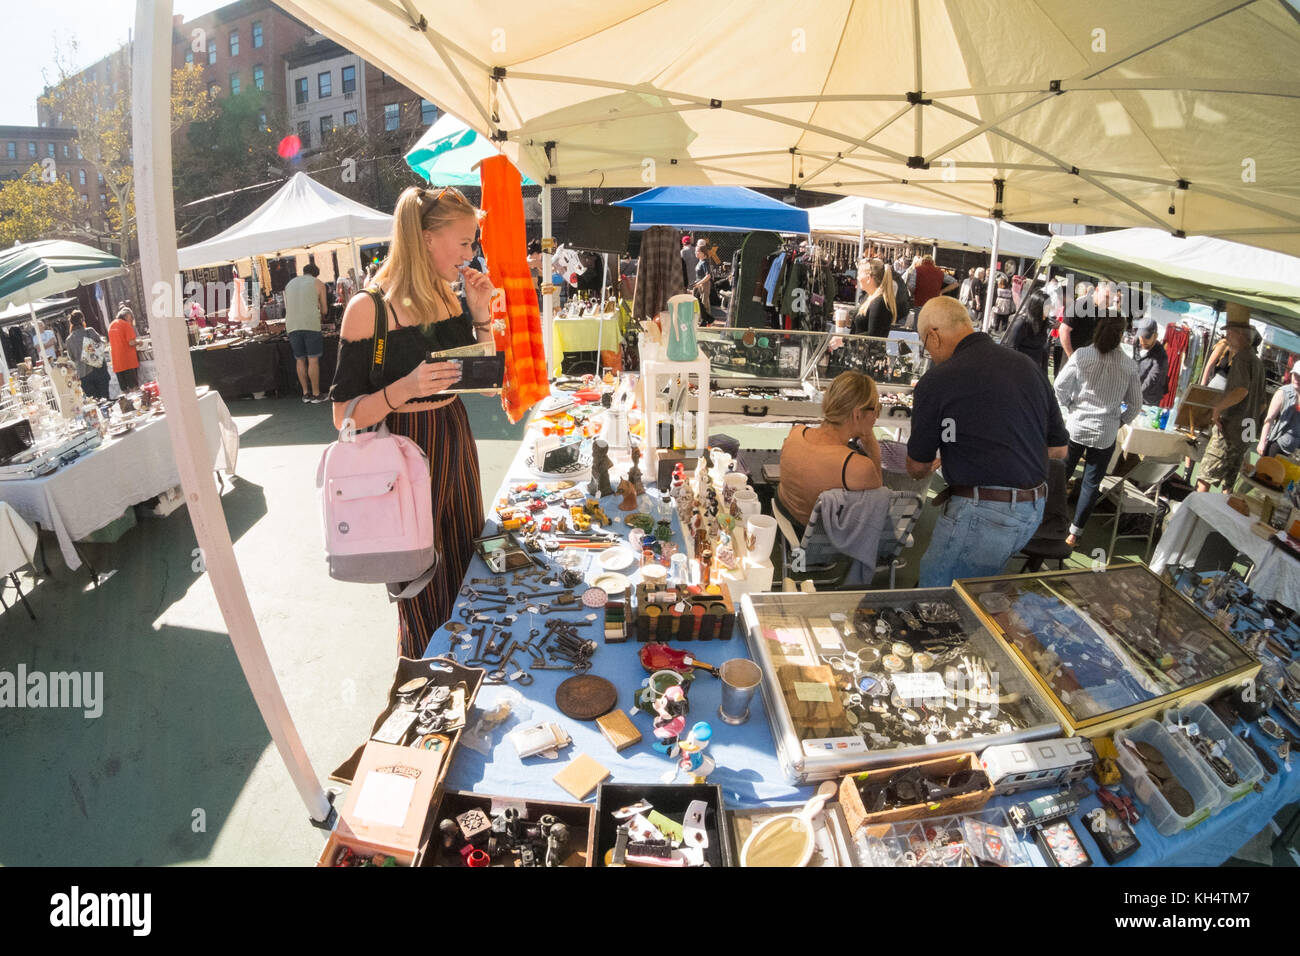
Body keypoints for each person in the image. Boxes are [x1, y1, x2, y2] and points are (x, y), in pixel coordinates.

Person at [329, 184, 496, 659]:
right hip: (401, 453)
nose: (471, 253)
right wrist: (406, 387)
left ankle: (469, 665)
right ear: (425, 238)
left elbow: (482, 384)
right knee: (420, 581)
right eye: (464, 242)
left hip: (453, 436)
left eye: (472, 243)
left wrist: (480, 317)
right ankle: (425, 680)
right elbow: (342, 417)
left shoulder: (449, 298)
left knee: (465, 558)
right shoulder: (369, 309)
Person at [905, 296, 1069, 586]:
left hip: (983, 511)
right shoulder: (1029, 366)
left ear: (933, 335)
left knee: (935, 599)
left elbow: (916, 466)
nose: (927, 352)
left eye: (924, 342)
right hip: (1034, 509)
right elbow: (1058, 449)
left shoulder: (937, 380)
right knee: (974, 592)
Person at [1053, 316, 1143, 548]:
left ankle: (1049, 519)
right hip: (1105, 431)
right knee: (1091, 484)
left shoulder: (1082, 355)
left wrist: (1071, 407)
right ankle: (1074, 533)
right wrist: (1118, 422)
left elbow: (1059, 387)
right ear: (1121, 336)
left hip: (1076, 425)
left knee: (1061, 475)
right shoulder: (1128, 365)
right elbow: (1135, 405)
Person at [775, 371, 883, 536]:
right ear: (857, 414)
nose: (876, 417)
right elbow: (877, 494)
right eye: (876, 409)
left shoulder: (796, 433)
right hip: (816, 536)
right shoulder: (857, 466)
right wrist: (872, 446)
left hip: (785, 517)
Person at [1197, 304, 1267, 493]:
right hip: (1246, 430)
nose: (1226, 337)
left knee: (1205, 477)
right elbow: (1262, 404)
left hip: (1231, 428)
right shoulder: (1257, 363)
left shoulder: (1243, 358)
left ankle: (1192, 519)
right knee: (1229, 483)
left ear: (1240, 335)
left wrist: (1217, 409)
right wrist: (1248, 418)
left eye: (1229, 332)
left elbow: (1241, 391)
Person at [285, 262, 330, 402]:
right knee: (313, 359)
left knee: (299, 359)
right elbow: (324, 310)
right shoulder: (318, 283)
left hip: (292, 325)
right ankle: (316, 394)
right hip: (310, 324)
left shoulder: (289, 284)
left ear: (303, 272)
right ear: (316, 274)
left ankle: (305, 394)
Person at [1002, 286, 1051, 374]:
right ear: (1038, 307)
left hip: (1034, 371)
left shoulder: (1044, 324)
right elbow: (1011, 349)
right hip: (1018, 370)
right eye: (1047, 306)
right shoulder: (1021, 324)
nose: (1050, 309)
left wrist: (1044, 376)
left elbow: (1043, 352)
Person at [1061, 282, 1113, 360]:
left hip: (1091, 358)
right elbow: (1063, 330)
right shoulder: (1081, 304)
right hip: (1074, 357)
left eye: (1111, 298)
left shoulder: (1105, 311)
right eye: (1106, 297)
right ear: (1097, 290)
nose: (1108, 301)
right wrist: (1071, 356)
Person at [65, 309, 110, 401]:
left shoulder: (69, 340)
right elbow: (101, 345)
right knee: (105, 399)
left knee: (93, 402)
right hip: (98, 369)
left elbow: (72, 358)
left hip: (83, 374)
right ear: (82, 320)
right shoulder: (90, 331)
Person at [1257, 366, 1300, 460]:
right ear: (1292, 374)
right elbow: (1270, 418)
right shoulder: (1283, 392)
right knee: (1263, 473)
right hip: (1277, 444)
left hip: (1295, 451)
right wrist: (1262, 441)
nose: (1297, 379)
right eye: (1295, 375)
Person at [853, 257, 899, 338]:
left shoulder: (879, 302)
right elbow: (864, 325)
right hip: (858, 349)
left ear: (868, 278)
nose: (857, 277)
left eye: (859, 273)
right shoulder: (868, 297)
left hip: (869, 350)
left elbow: (873, 335)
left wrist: (844, 339)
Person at [1132, 317, 1169, 406]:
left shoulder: (1161, 357)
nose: (1143, 340)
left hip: (1149, 399)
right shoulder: (1137, 342)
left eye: (1147, 337)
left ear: (1156, 336)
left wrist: (1133, 396)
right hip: (1134, 390)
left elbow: (1151, 380)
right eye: (1142, 336)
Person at [108, 305, 140, 392]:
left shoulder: (111, 325)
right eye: (131, 318)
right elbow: (131, 342)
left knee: (125, 391)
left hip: (117, 364)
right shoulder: (126, 325)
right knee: (134, 390)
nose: (131, 320)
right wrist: (139, 342)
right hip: (128, 362)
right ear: (127, 316)